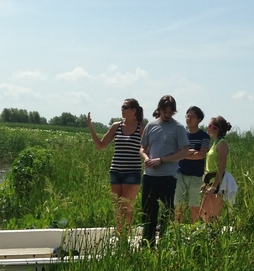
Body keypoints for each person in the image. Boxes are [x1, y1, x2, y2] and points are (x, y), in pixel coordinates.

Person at [88, 99, 146, 239]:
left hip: (132, 172)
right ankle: (120, 237)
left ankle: (125, 236)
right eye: (122, 106)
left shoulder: (142, 128)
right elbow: (101, 146)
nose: (122, 109)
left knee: (128, 207)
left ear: (134, 110)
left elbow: (146, 148)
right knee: (118, 207)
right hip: (115, 170)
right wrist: (91, 128)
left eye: (125, 107)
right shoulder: (116, 126)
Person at [137, 95, 187, 245]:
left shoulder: (178, 128)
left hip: (168, 175)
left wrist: (162, 160)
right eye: (165, 112)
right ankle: (148, 242)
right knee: (148, 210)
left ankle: (165, 241)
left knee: (167, 210)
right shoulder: (151, 126)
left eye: (170, 112)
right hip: (150, 175)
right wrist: (146, 157)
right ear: (159, 109)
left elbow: (184, 151)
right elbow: (142, 148)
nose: (167, 115)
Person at [176, 106, 210, 224]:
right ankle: (178, 229)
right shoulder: (182, 134)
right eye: (187, 116)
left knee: (194, 204)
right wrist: (191, 152)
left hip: (196, 175)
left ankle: (192, 230)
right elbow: (176, 153)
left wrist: (184, 153)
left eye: (192, 116)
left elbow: (201, 154)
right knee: (179, 204)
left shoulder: (204, 136)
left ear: (199, 119)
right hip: (180, 173)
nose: (189, 119)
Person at [199, 116, 235, 224]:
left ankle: (214, 237)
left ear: (217, 129)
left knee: (212, 214)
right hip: (211, 180)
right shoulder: (214, 143)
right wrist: (206, 183)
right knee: (204, 212)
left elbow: (221, 167)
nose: (207, 127)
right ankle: (209, 235)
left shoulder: (222, 144)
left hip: (219, 182)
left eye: (210, 126)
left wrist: (214, 186)